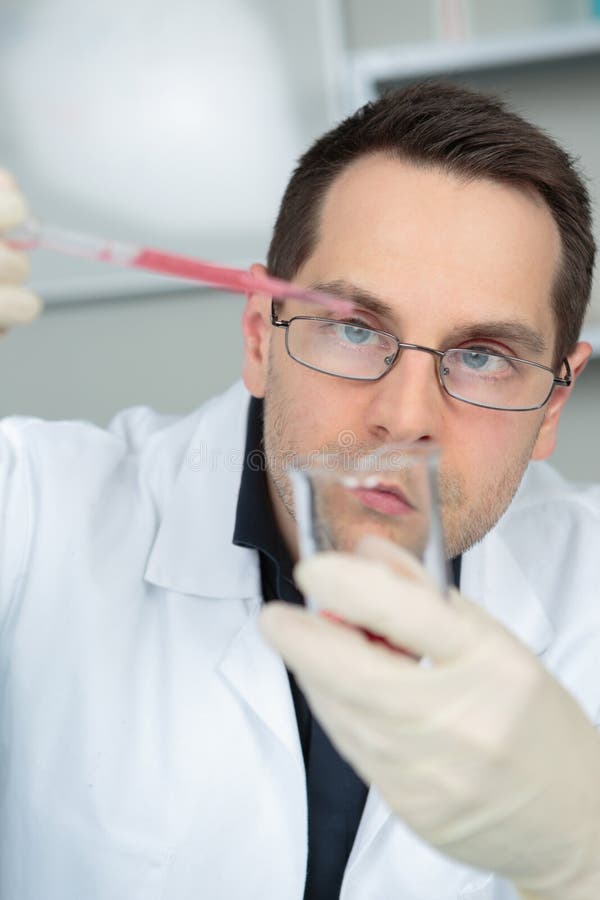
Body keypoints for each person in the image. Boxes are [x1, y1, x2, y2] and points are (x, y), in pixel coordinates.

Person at [0, 81, 599, 900]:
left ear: (552, 406)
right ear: (259, 334)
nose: (404, 417)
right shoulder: (37, 512)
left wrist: (583, 861)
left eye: (484, 354)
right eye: (357, 328)